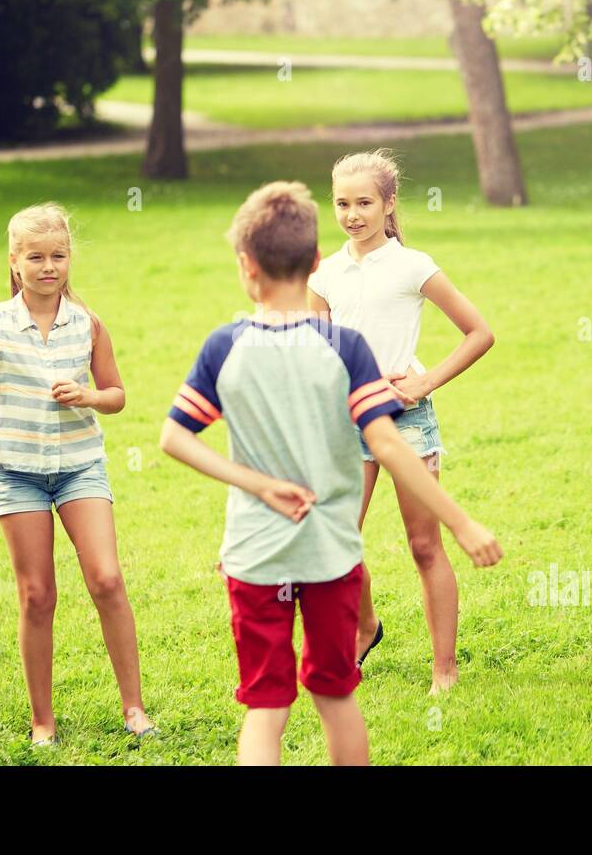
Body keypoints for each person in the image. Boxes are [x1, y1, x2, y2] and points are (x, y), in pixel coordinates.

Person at [160, 180, 501, 765]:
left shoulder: (225, 345)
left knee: (265, 707)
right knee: (335, 696)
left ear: (246, 268)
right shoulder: (344, 348)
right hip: (329, 558)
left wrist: (258, 484)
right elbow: (389, 447)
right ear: (316, 263)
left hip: (253, 556)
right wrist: (463, 524)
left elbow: (173, 438)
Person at [0, 202, 154, 745]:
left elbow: (116, 395)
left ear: (70, 259)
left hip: (79, 468)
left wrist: (89, 395)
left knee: (107, 579)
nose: (49, 267)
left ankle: (134, 709)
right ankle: (42, 721)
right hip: (17, 473)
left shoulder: (88, 324)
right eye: (37, 257)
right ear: (15, 262)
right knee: (37, 594)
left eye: (59, 256)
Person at [308, 149, 494, 694]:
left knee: (423, 546)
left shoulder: (414, 266)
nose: (352, 214)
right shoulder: (328, 275)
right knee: (338, 539)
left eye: (364, 202)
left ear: (389, 205)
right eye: (342, 203)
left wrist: (424, 381)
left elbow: (479, 332)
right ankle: (365, 626)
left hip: (407, 423)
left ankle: (444, 670)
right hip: (348, 423)